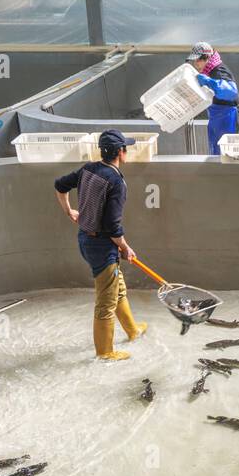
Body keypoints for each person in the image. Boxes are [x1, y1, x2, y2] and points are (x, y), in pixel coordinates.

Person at [53, 129, 147, 361]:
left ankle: (132, 330)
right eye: (126, 148)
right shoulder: (116, 182)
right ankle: (105, 351)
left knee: (118, 288)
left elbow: (59, 185)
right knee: (106, 300)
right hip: (102, 246)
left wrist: (69, 212)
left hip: (85, 238)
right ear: (121, 152)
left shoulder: (89, 169)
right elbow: (113, 225)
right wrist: (125, 247)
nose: (127, 151)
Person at [186, 42, 239, 155]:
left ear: (207, 58)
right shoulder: (208, 72)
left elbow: (231, 92)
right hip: (217, 120)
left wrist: (209, 82)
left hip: (230, 120)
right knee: (217, 155)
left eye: (198, 60)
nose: (195, 64)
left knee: (231, 154)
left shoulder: (219, 71)